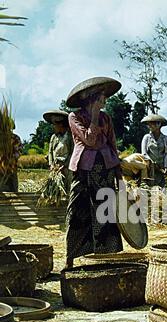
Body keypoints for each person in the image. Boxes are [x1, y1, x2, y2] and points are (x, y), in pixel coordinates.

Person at [64, 76, 124, 269]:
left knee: (105, 215)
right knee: (77, 213)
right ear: (91, 98)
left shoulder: (107, 118)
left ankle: (107, 258)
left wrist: (119, 176)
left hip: (105, 172)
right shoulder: (74, 117)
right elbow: (89, 140)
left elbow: (113, 147)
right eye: (101, 97)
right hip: (84, 172)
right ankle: (70, 259)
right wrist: (95, 115)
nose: (104, 101)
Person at [43, 110, 73, 192]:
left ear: (61, 124)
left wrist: (65, 165)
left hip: (67, 168)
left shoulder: (70, 136)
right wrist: (51, 164)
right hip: (55, 168)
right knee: (54, 189)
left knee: (67, 188)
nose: (53, 126)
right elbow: (50, 152)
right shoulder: (53, 137)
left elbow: (72, 153)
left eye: (55, 124)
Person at [140, 114, 167, 188]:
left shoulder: (166, 138)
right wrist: (152, 163)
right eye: (148, 124)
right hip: (149, 168)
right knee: (150, 188)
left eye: (152, 124)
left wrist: (166, 167)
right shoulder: (146, 138)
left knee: (162, 188)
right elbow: (144, 153)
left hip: (162, 168)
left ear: (159, 124)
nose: (149, 126)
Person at [0, 118, 22, 192]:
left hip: (11, 168)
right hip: (1, 169)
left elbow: (18, 153)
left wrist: (10, 158)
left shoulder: (15, 138)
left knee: (12, 190)